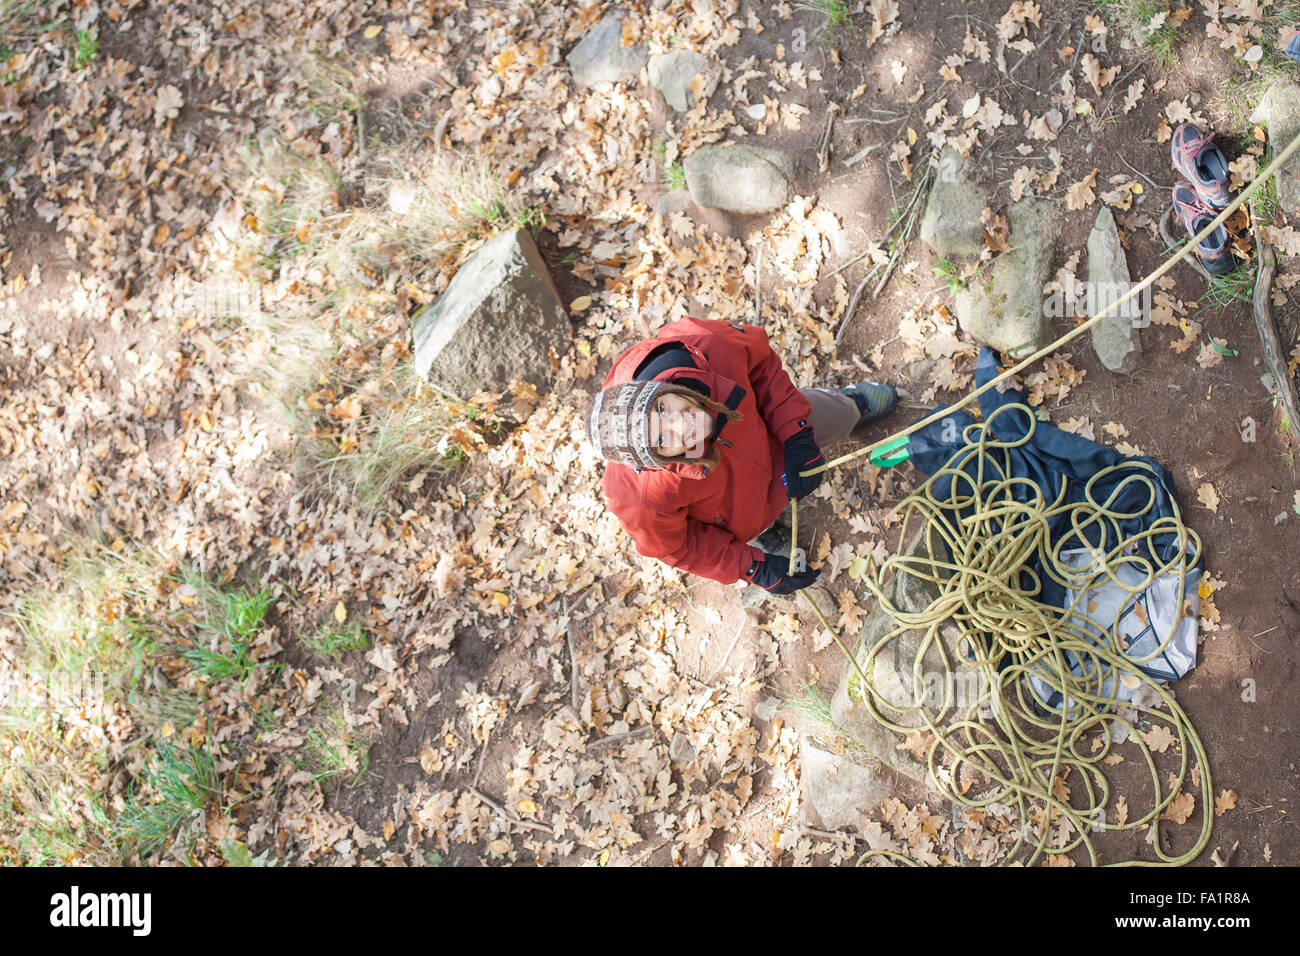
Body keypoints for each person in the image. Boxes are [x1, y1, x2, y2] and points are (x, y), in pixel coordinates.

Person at [585, 315, 898, 594]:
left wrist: (797, 432)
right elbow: (681, 547)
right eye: (663, 438)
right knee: (753, 520)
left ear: (656, 389)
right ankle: (766, 531)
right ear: (658, 461)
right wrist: (753, 568)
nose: (682, 424)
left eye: (662, 408)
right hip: (737, 512)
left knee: (832, 416)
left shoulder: (705, 347)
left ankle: (852, 406)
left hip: (772, 430)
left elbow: (762, 365)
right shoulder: (640, 498)